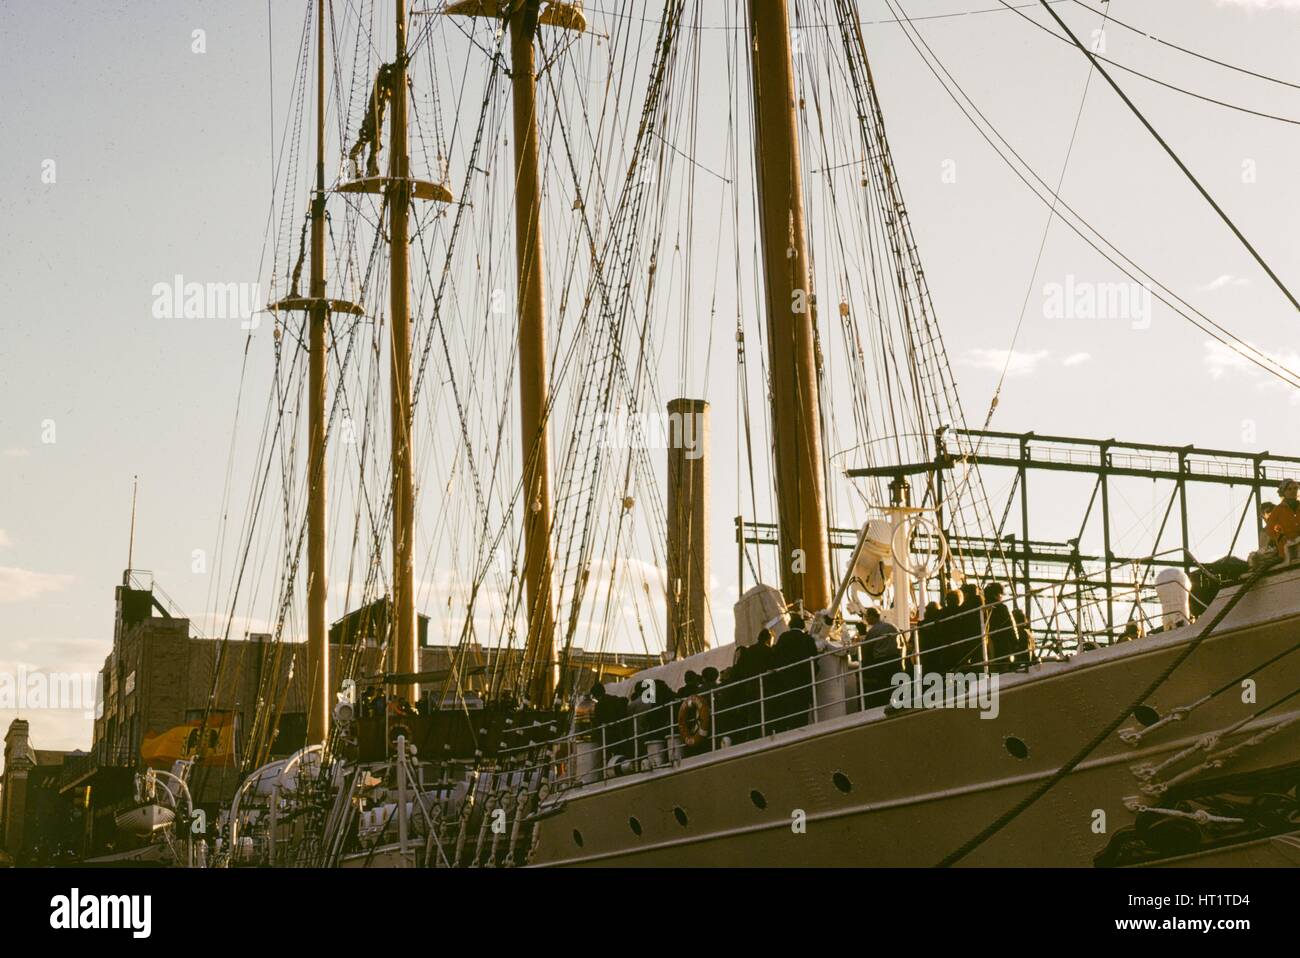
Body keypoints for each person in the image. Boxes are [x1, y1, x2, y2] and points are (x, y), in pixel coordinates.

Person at [770, 611, 819, 731]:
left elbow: (776, 656)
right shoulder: (808, 639)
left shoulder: (784, 638)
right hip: (804, 680)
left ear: (790, 625)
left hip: (787, 680)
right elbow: (815, 657)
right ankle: (802, 727)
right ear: (802, 626)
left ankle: (790, 728)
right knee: (802, 707)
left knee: (789, 706)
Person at [860, 607, 902, 707]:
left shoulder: (873, 631)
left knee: (883, 686)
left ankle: (883, 705)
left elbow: (866, 649)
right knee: (895, 685)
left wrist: (865, 666)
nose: (866, 619)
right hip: (895, 660)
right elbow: (901, 644)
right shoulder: (892, 626)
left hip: (881, 663)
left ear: (871, 616)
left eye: (867, 617)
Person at [983, 583, 1019, 671]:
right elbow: (1011, 627)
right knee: (1003, 670)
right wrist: (1015, 644)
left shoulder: (982, 609)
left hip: (988, 645)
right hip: (1003, 645)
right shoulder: (1002, 608)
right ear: (998, 594)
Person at [1265, 480, 1300, 556]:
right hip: (1286, 548)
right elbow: (1269, 529)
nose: (1293, 491)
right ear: (1283, 492)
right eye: (1289, 489)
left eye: (1295, 488)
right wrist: (1280, 538)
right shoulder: (1278, 510)